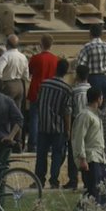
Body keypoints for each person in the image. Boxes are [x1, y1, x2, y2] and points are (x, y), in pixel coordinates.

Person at [34, 58, 72, 189]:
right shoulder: (66, 89)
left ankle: (39, 179)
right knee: (57, 154)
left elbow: (38, 102)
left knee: (41, 154)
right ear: (66, 72)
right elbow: (67, 111)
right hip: (58, 127)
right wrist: (68, 130)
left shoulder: (44, 84)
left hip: (43, 124)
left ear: (56, 69)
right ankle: (54, 180)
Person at [73, 86, 106, 205]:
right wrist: (82, 158)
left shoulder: (96, 115)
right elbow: (79, 138)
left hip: (99, 157)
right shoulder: (85, 115)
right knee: (93, 191)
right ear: (99, 99)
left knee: (101, 191)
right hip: (90, 158)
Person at [27, 34, 59, 152]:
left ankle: (33, 144)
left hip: (37, 89)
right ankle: (48, 143)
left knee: (34, 117)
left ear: (41, 44)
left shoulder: (36, 58)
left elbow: (29, 71)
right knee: (49, 117)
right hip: (50, 91)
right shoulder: (56, 59)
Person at [77, 24, 106, 95]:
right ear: (101, 34)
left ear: (90, 34)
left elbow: (80, 66)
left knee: (93, 102)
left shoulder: (87, 47)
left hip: (92, 79)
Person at [0, 35, 29, 113]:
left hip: (8, 84)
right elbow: (26, 75)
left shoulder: (6, 56)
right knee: (16, 110)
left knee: (5, 110)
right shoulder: (23, 56)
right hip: (20, 85)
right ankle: (16, 125)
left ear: (7, 44)